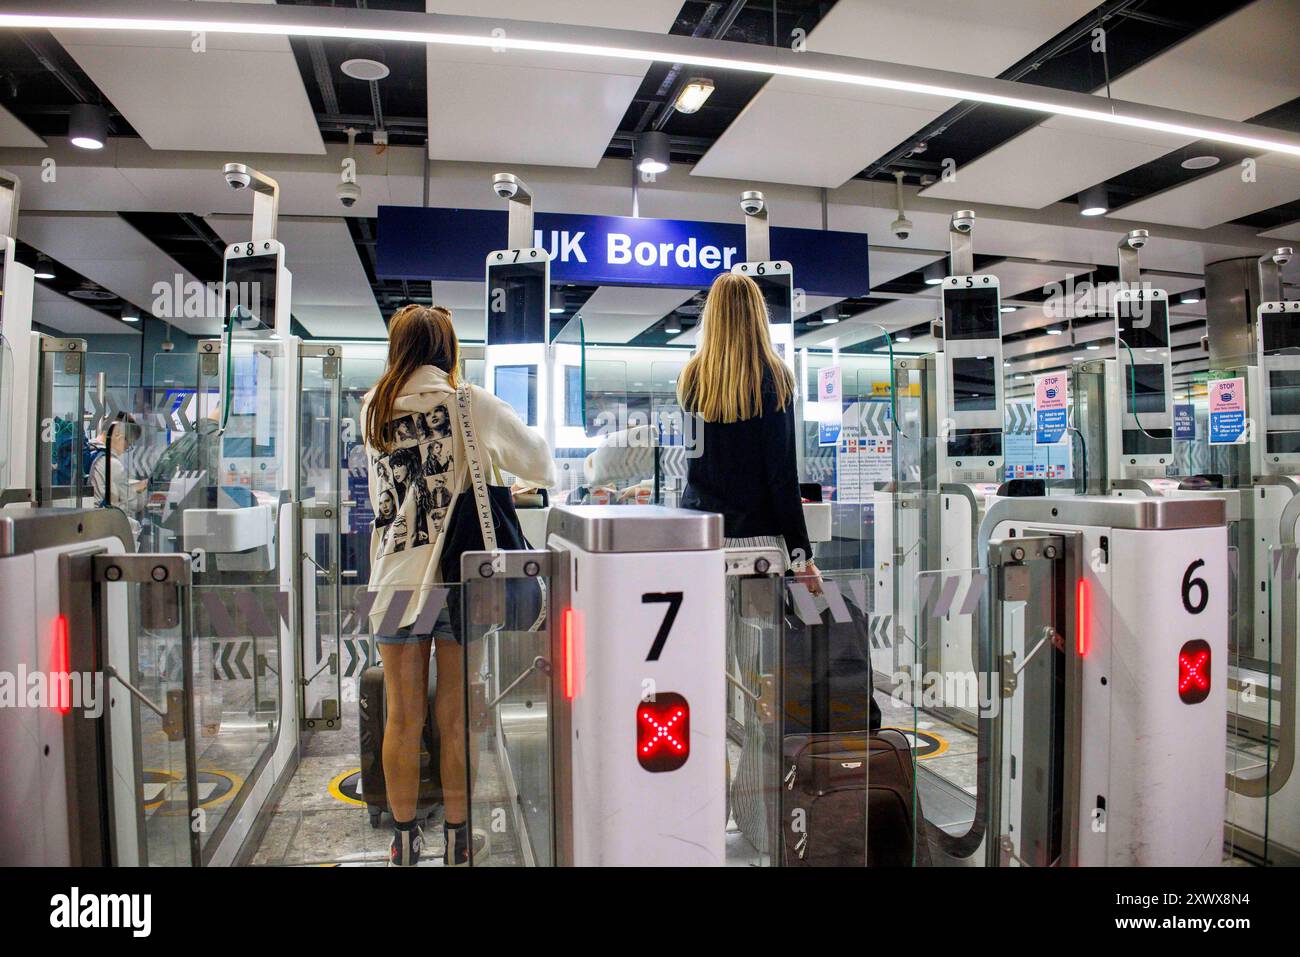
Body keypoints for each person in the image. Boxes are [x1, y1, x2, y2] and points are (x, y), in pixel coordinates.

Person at [362, 303, 555, 866]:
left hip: (397, 578)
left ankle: (402, 842)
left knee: (401, 717)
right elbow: (541, 463)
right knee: (455, 718)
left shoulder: (373, 406)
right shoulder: (471, 402)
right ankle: (457, 839)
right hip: (459, 577)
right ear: (448, 348)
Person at [677, 272, 821, 589]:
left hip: (702, 538)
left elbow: (695, 463)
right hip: (759, 545)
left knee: (707, 636)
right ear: (758, 316)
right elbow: (782, 477)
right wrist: (802, 557)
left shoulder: (692, 377)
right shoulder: (774, 376)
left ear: (712, 315)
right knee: (760, 638)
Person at [90, 412, 147, 522]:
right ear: (116, 435)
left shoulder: (89, 451)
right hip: (102, 525)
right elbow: (133, 504)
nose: (126, 448)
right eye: (128, 443)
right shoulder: (112, 464)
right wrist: (140, 489)